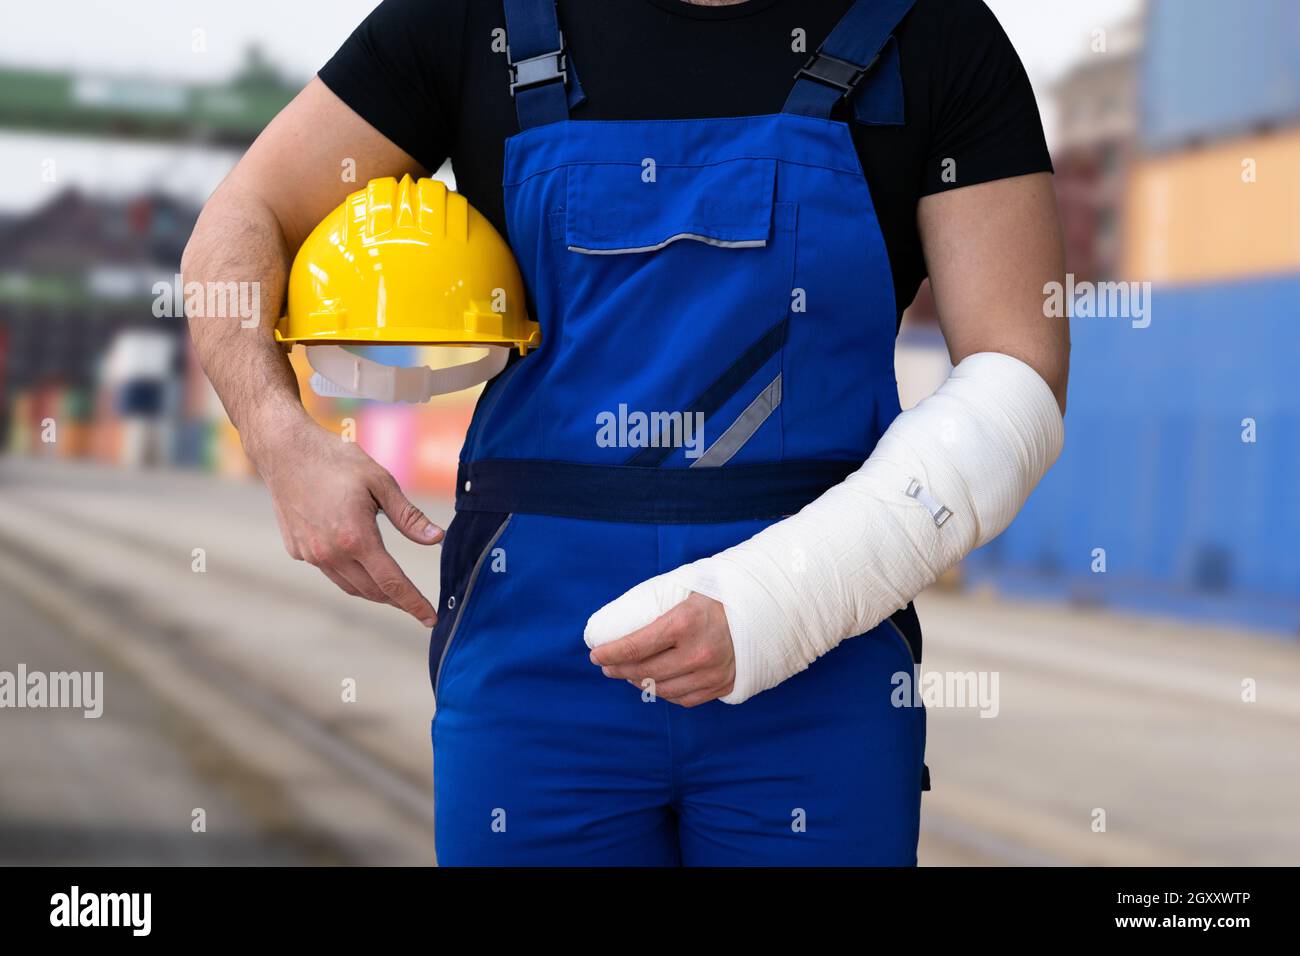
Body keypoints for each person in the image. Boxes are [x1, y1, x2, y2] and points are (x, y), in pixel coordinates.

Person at [183, 0, 1068, 866]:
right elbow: (242, 217)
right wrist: (279, 437)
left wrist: (775, 605)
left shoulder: (935, 30)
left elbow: (1017, 379)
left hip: (819, 663)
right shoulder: (471, 18)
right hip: (536, 674)